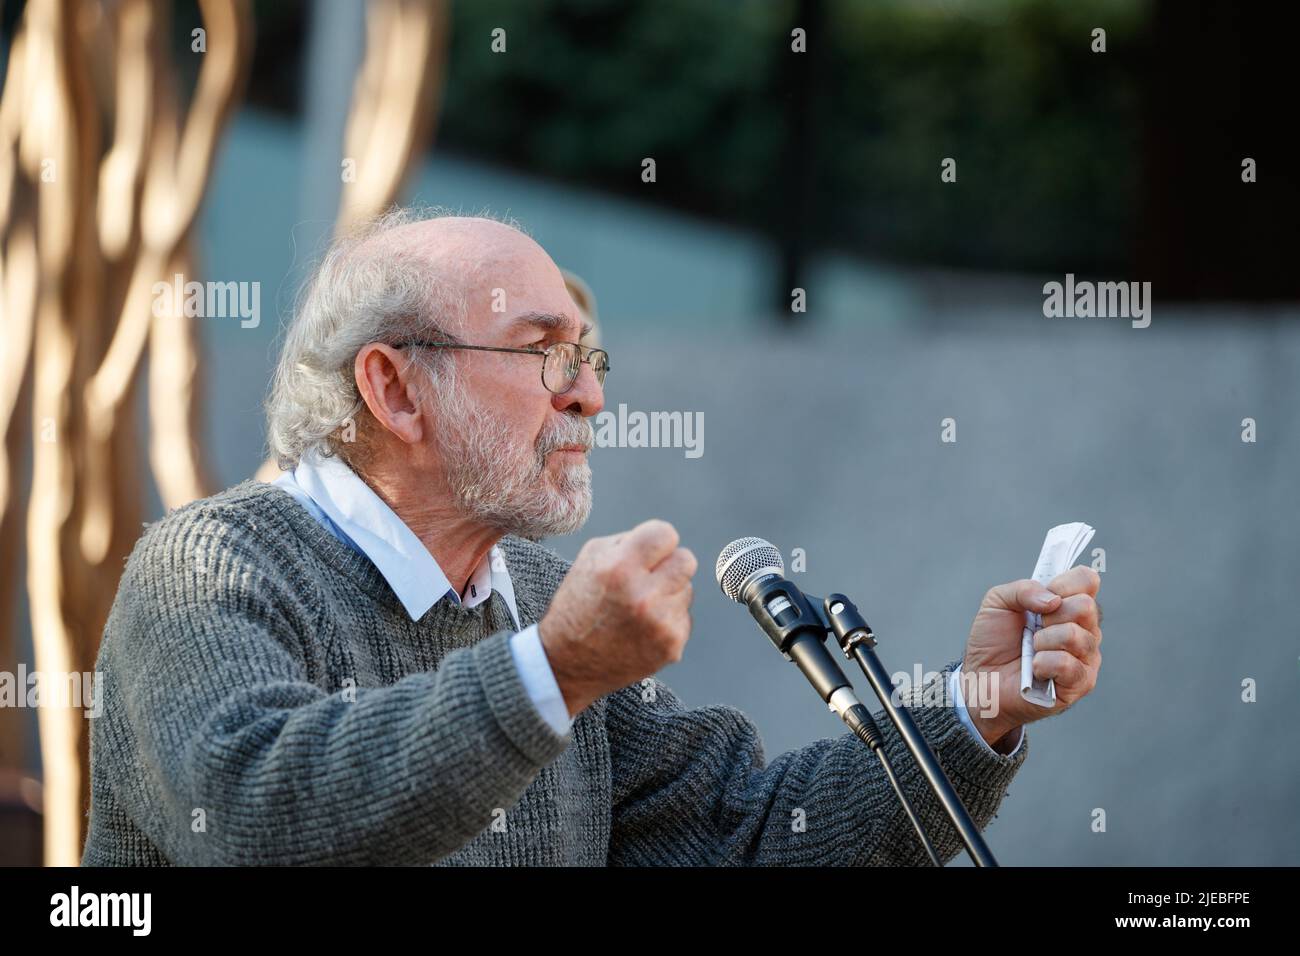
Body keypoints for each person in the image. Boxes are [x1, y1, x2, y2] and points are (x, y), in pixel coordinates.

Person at [81, 209, 1103, 866]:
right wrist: (553, 672)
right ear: (394, 388)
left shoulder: (531, 591)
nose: (591, 394)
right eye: (540, 351)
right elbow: (260, 820)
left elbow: (745, 836)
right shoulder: (211, 567)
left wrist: (975, 711)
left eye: (588, 352)